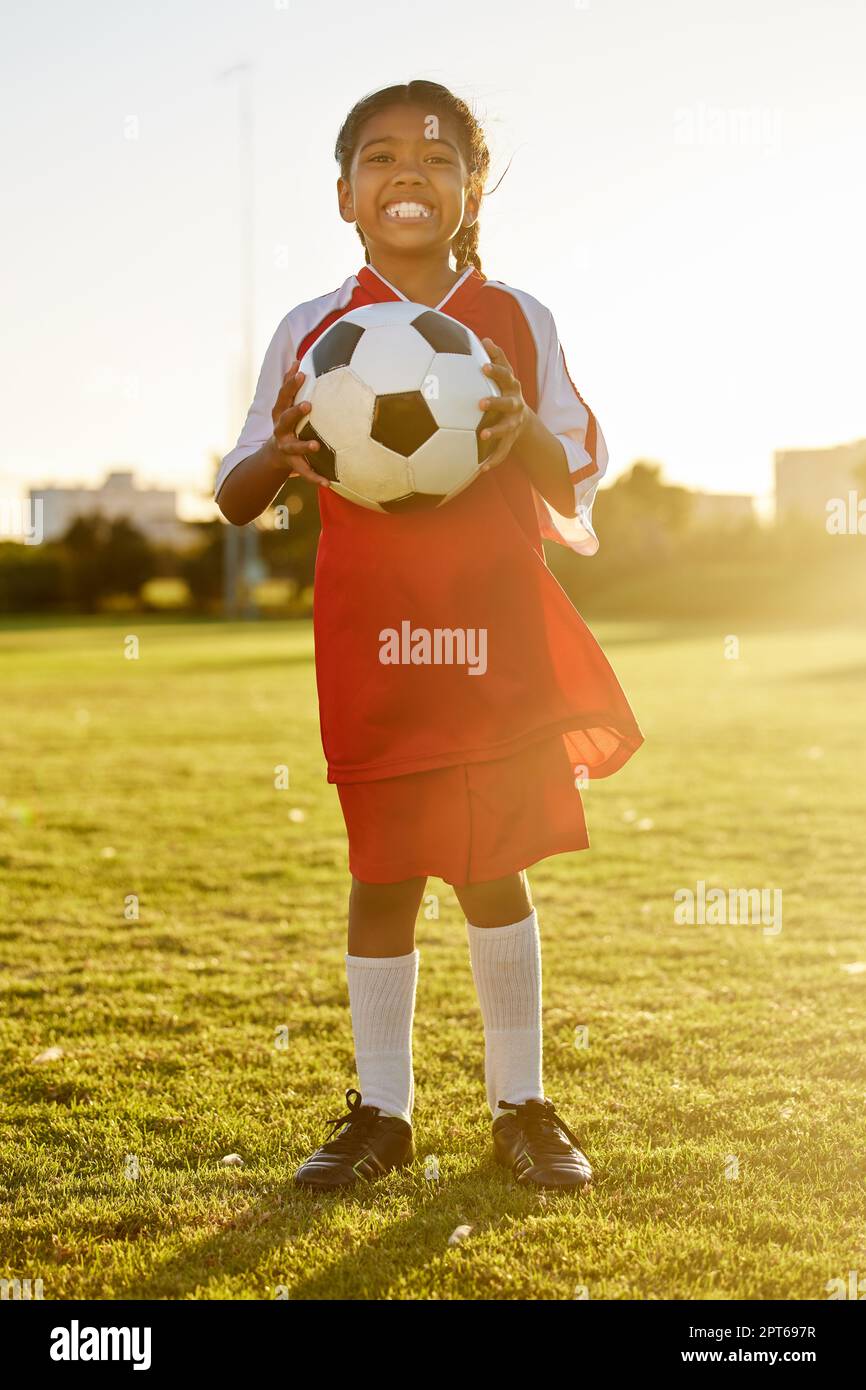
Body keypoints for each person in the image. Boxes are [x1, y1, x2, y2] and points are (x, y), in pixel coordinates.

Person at [214, 80, 644, 1193]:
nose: (409, 171)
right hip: (372, 639)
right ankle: (381, 1112)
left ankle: (522, 1105)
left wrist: (508, 435)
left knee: (491, 865)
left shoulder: (517, 320)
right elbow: (232, 489)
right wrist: (282, 457)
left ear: (472, 190)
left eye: (438, 156)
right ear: (345, 196)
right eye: (381, 157)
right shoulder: (312, 331)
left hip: (492, 639)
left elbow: (571, 470)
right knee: (384, 872)